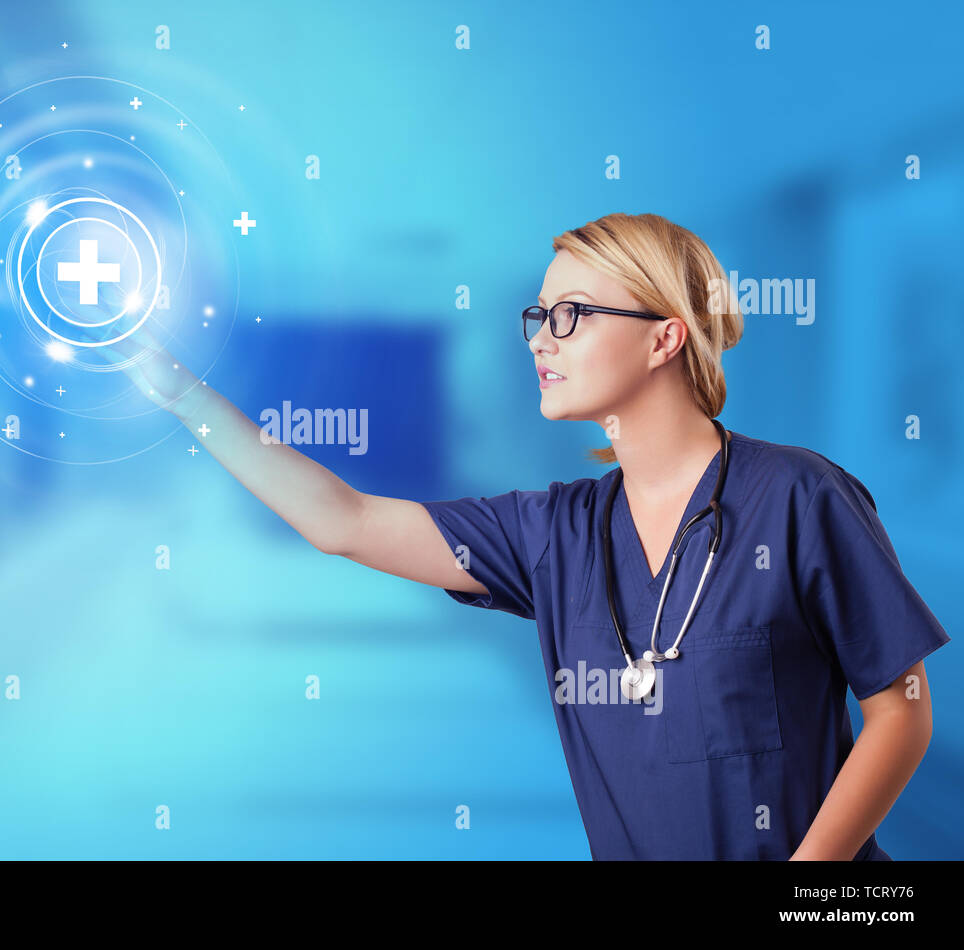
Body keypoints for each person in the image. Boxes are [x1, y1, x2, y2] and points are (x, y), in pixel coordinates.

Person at [103, 211, 950, 860]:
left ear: (664, 336)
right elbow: (344, 520)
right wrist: (183, 398)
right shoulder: (555, 533)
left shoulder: (800, 496)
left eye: (572, 314)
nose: (541, 340)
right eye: (537, 316)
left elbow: (900, 714)